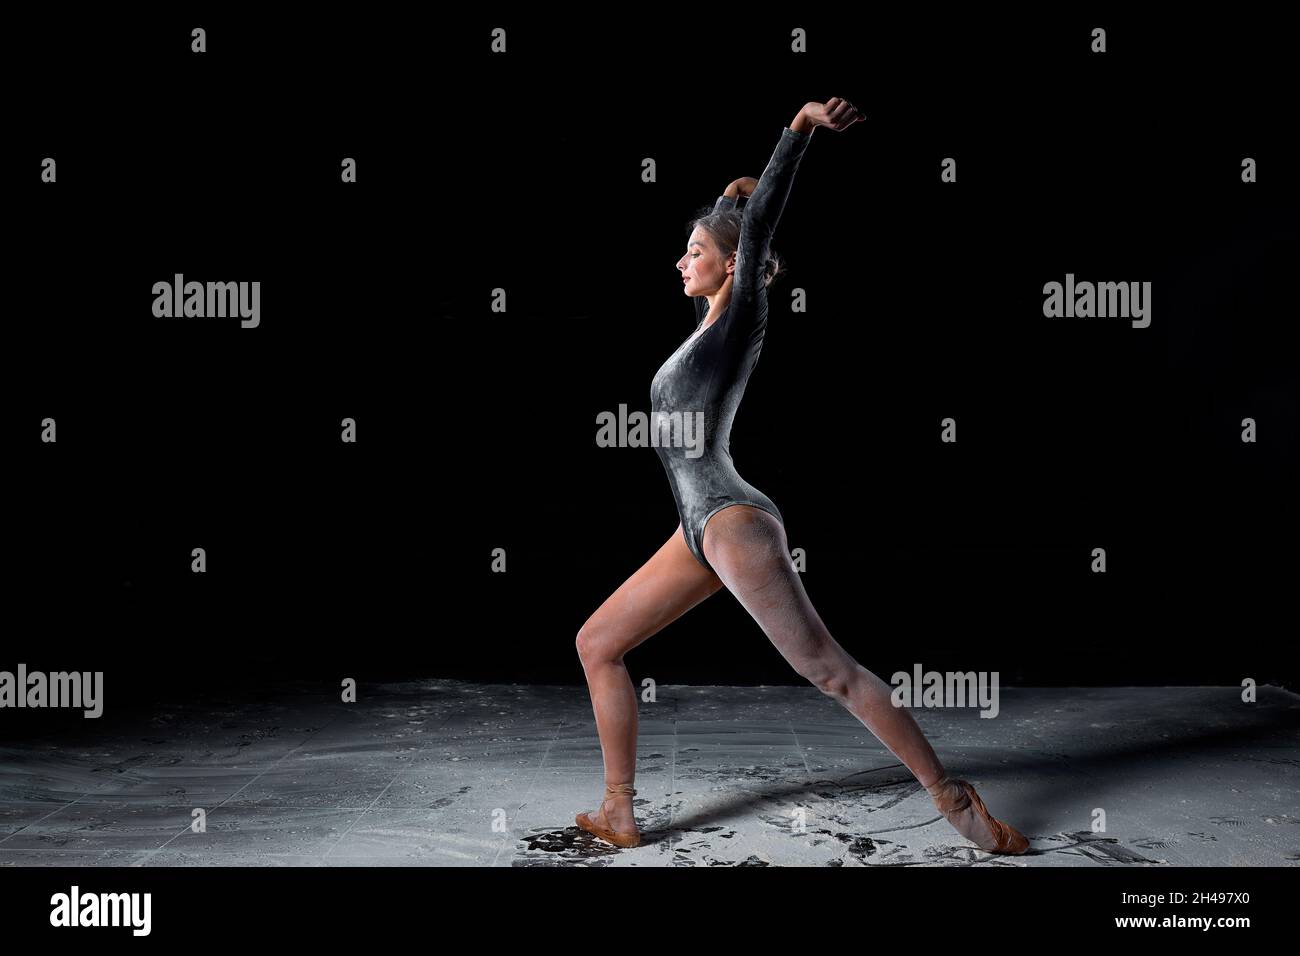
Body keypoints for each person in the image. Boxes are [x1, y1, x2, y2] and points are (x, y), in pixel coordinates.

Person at [576, 98, 1028, 856]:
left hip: (729, 518)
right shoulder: (707, 331)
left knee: (831, 673)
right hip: (696, 528)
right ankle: (619, 811)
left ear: (731, 262)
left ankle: (956, 802)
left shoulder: (740, 312)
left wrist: (798, 129)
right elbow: (740, 206)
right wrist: (730, 195)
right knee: (598, 642)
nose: (680, 261)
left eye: (694, 251)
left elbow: (758, 222)